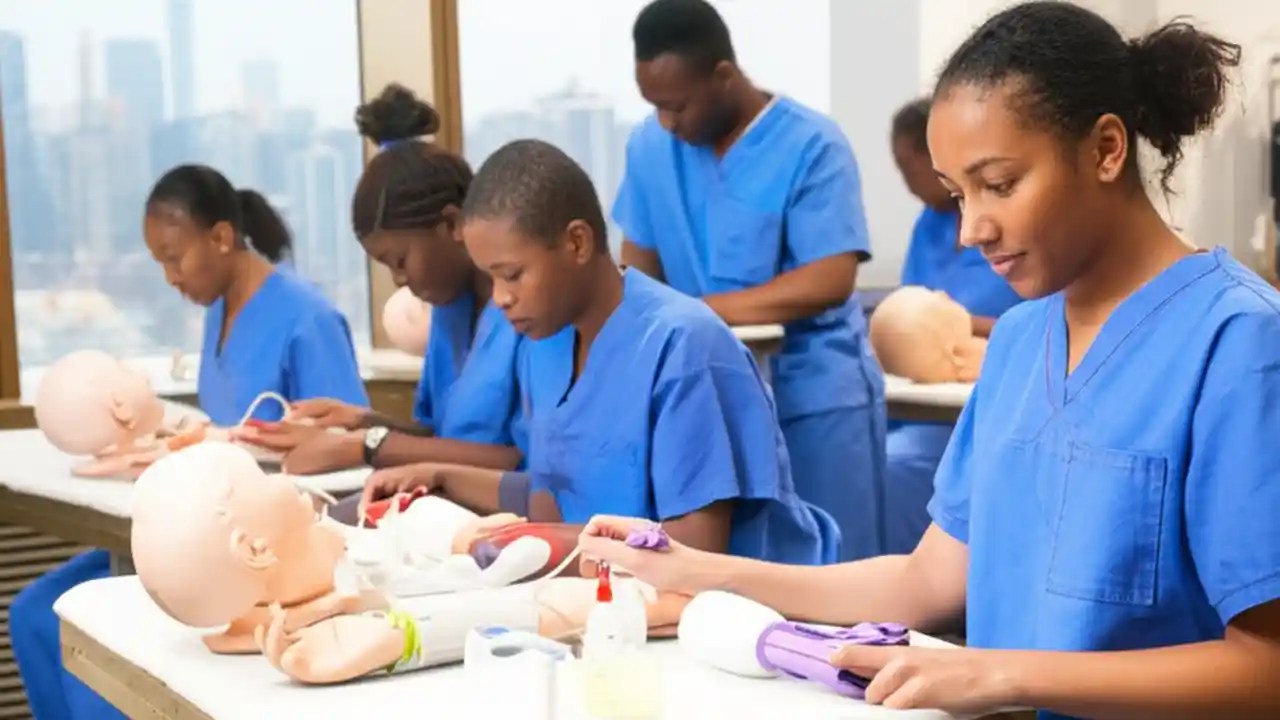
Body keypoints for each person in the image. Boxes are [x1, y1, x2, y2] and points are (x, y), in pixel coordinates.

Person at [578, 4, 1280, 718]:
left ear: (1104, 149)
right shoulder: (1017, 343)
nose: (972, 228)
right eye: (957, 194)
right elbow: (923, 584)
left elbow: (1267, 669)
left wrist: (1003, 676)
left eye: (999, 184)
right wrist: (700, 570)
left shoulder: (1238, 343)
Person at [362, 139, 837, 566]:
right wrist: (439, 475)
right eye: (490, 278)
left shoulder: (681, 345)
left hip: (727, 616)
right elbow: (558, 496)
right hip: (618, 599)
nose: (501, 297)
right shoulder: (544, 345)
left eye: (512, 274)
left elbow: (695, 547)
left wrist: (532, 540)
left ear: (577, 243)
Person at [12, 166, 369, 719]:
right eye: (159, 262)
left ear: (222, 238)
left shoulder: (308, 318)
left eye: (174, 258)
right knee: (37, 614)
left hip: (253, 559)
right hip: (194, 540)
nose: (170, 277)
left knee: (106, 652)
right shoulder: (220, 311)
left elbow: (344, 461)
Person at [613, 0, 885, 561]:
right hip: (710, 394)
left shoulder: (812, 145)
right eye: (655, 106)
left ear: (724, 76)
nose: (668, 121)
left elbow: (831, 276)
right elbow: (638, 267)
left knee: (841, 578)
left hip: (813, 396)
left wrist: (700, 313)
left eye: (679, 105)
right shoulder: (648, 147)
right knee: (732, 578)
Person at [240, 85, 526, 476]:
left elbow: (522, 461)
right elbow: (437, 438)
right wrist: (362, 421)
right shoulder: (449, 313)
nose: (398, 280)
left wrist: (366, 446)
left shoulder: (527, 312)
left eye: (401, 260)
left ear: (452, 224)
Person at [881, 98, 1023, 554]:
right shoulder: (930, 224)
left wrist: (956, 328)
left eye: (909, 168)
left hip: (971, 401)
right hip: (921, 395)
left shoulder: (1011, 228)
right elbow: (908, 309)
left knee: (897, 466)